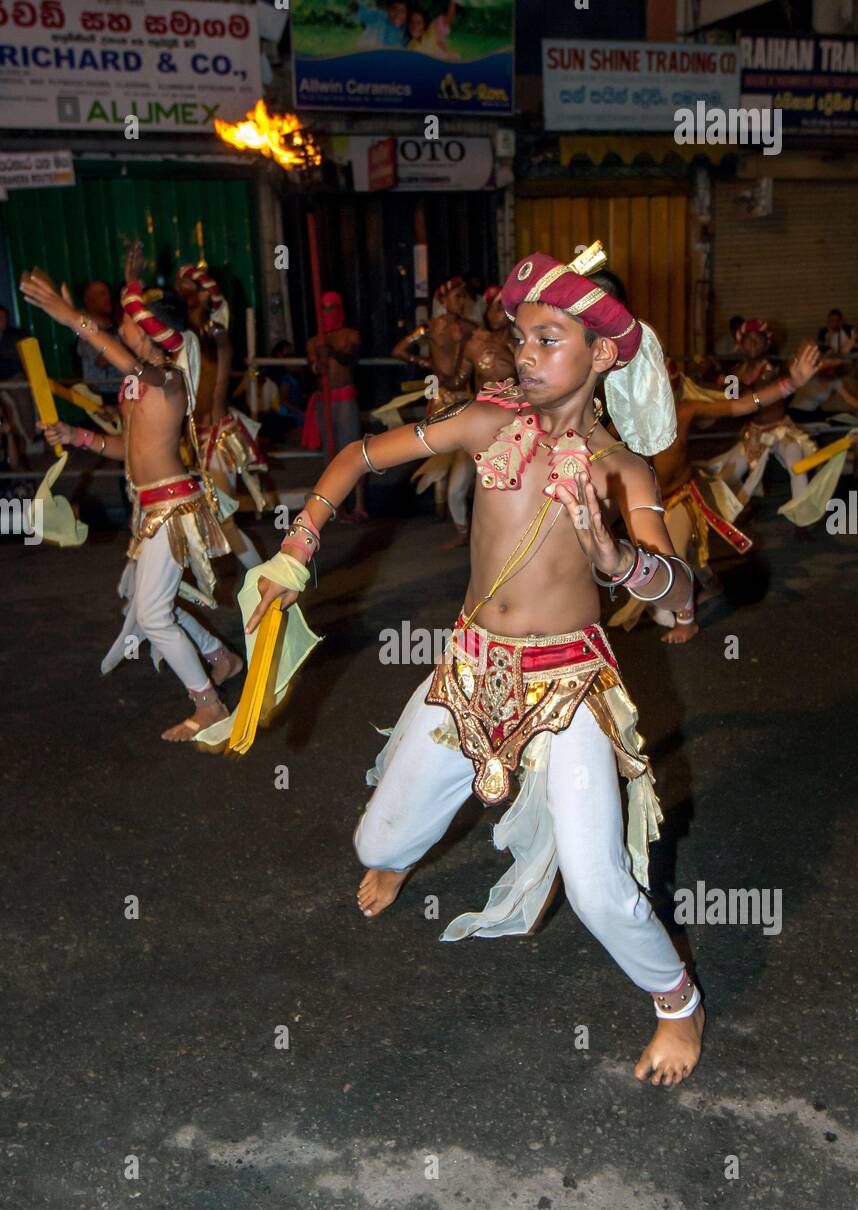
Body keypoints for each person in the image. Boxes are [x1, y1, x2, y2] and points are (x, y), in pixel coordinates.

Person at [246, 242, 707, 1087]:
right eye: (520, 338)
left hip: (567, 687)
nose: (525, 357)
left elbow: (680, 598)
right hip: (466, 668)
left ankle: (677, 1003)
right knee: (373, 843)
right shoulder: (487, 422)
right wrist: (297, 547)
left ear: (603, 353)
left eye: (548, 340)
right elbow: (355, 459)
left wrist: (615, 557)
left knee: (598, 887)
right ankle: (401, 849)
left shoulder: (621, 470)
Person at [20, 246, 242, 741]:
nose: (119, 327)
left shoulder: (168, 380)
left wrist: (69, 316)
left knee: (153, 614)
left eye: (128, 323)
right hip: (150, 507)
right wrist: (78, 438)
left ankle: (209, 704)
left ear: (150, 335)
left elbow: (113, 351)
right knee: (142, 602)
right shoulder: (135, 387)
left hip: (172, 508)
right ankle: (218, 656)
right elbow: (129, 448)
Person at [610, 344, 821, 643]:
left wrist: (792, 383)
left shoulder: (685, 412)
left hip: (683, 496)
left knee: (672, 554)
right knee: (695, 559)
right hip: (649, 503)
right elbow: (596, 443)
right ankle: (712, 585)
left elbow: (745, 404)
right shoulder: (625, 419)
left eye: (665, 386)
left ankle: (687, 622)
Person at [175, 262, 265, 569]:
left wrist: (197, 281)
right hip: (189, 440)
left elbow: (215, 305)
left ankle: (266, 584)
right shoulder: (177, 338)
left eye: (193, 291)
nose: (187, 295)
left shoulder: (216, 334)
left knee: (225, 521)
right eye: (183, 291)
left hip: (217, 439)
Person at [393, 275, 476, 546]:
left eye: (463, 297)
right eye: (456, 297)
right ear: (443, 300)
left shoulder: (472, 328)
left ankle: (460, 519)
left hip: (465, 396)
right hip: (441, 398)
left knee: (464, 456)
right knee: (440, 452)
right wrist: (425, 362)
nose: (461, 302)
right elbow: (400, 349)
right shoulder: (429, 327)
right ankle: (443, 507)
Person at [705, 318, 816, 505]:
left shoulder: (775, 368)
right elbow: (734, 402)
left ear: (767, 343)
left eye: (759, 338)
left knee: (797, 466)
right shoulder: (737, 373)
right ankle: (735, 512)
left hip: (781, 431)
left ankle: (803, 517)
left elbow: (759, 394)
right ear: (741, 344)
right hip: (754, 434)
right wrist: (714, 377)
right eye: (749, 339)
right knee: (727, 475)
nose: (754, 342)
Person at [302, 291, 366, 522]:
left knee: (353, 450)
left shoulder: (350, 335)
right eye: (324, 308)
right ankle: (337, 507)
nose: (328, 312)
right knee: (330, 455)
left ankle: (359, 504)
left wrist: (333, 352)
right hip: (325, 400)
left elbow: (351, 359)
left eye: (332, 307)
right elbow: (312, 368)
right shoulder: (314, 341)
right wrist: (318, 364)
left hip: (345, 397)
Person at [465, 285, 516, 392]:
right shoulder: (476, 344)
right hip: (482, 407)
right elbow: (457, 383)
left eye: (499, 307)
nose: (492, 313)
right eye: (489, 308)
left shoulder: (520, 346)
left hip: (511, 407)